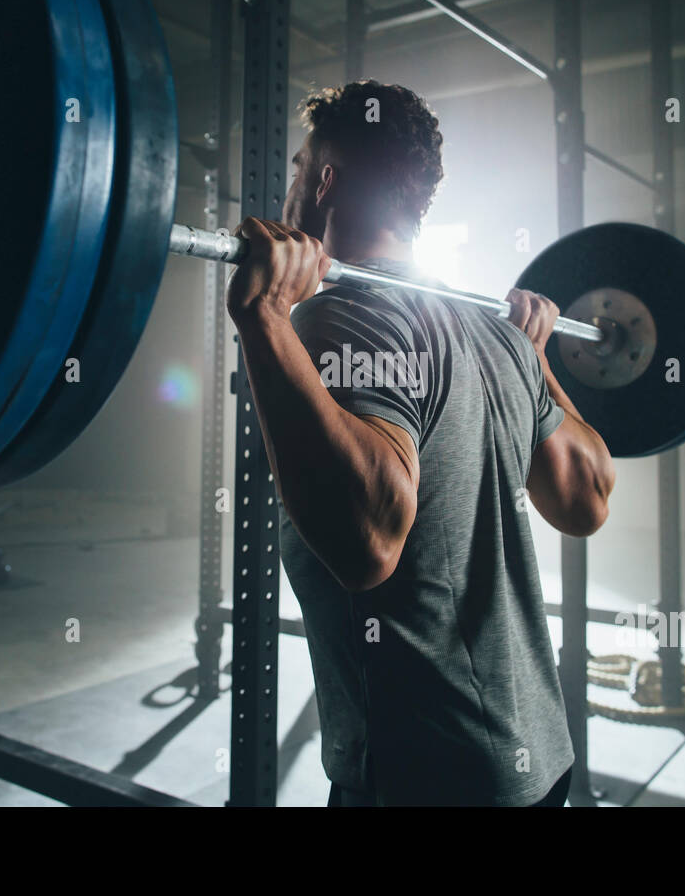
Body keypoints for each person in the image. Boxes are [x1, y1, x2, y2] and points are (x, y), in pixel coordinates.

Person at [226, 81, 615, 806]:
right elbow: (587, 498)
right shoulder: (496, 334)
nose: (290, 186)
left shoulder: (345, 319)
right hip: (540, 766)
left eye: (297, 167)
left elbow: (368, 542)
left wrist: (264, 316)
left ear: (325, 180)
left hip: (428, 777)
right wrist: (536, 363)